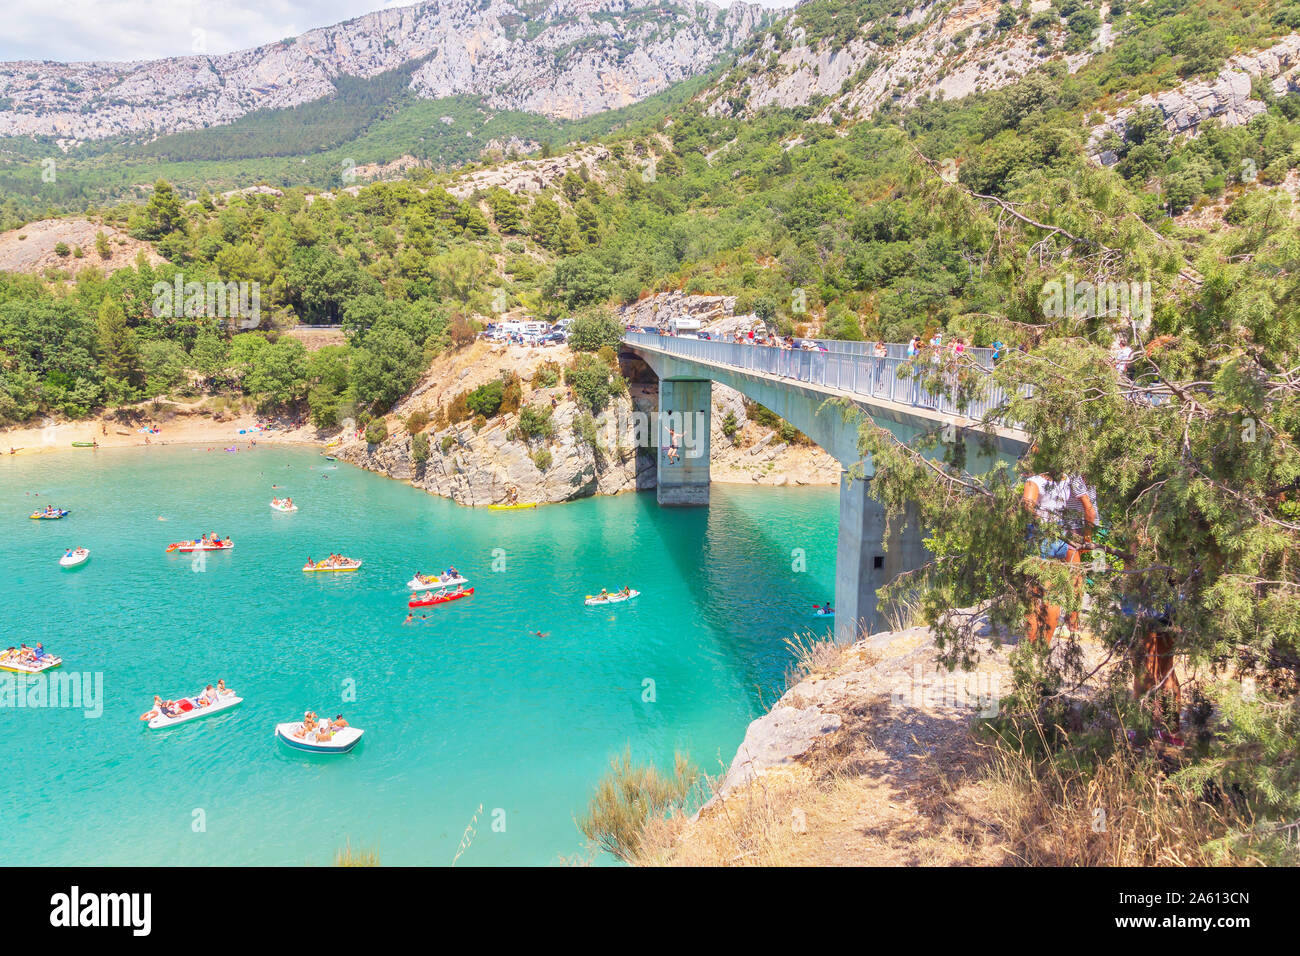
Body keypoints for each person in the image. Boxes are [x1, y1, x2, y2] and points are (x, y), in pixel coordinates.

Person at [1022, 467, 1097, 645]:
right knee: (1057, 592)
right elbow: (1091, 510)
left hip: (1046, 536)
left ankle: (1031, 644)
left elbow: (1027, 507)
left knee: (1033, 595)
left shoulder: (1035, 481)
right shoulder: (1067, 479)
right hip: (1066, 535)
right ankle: (1048, 641)